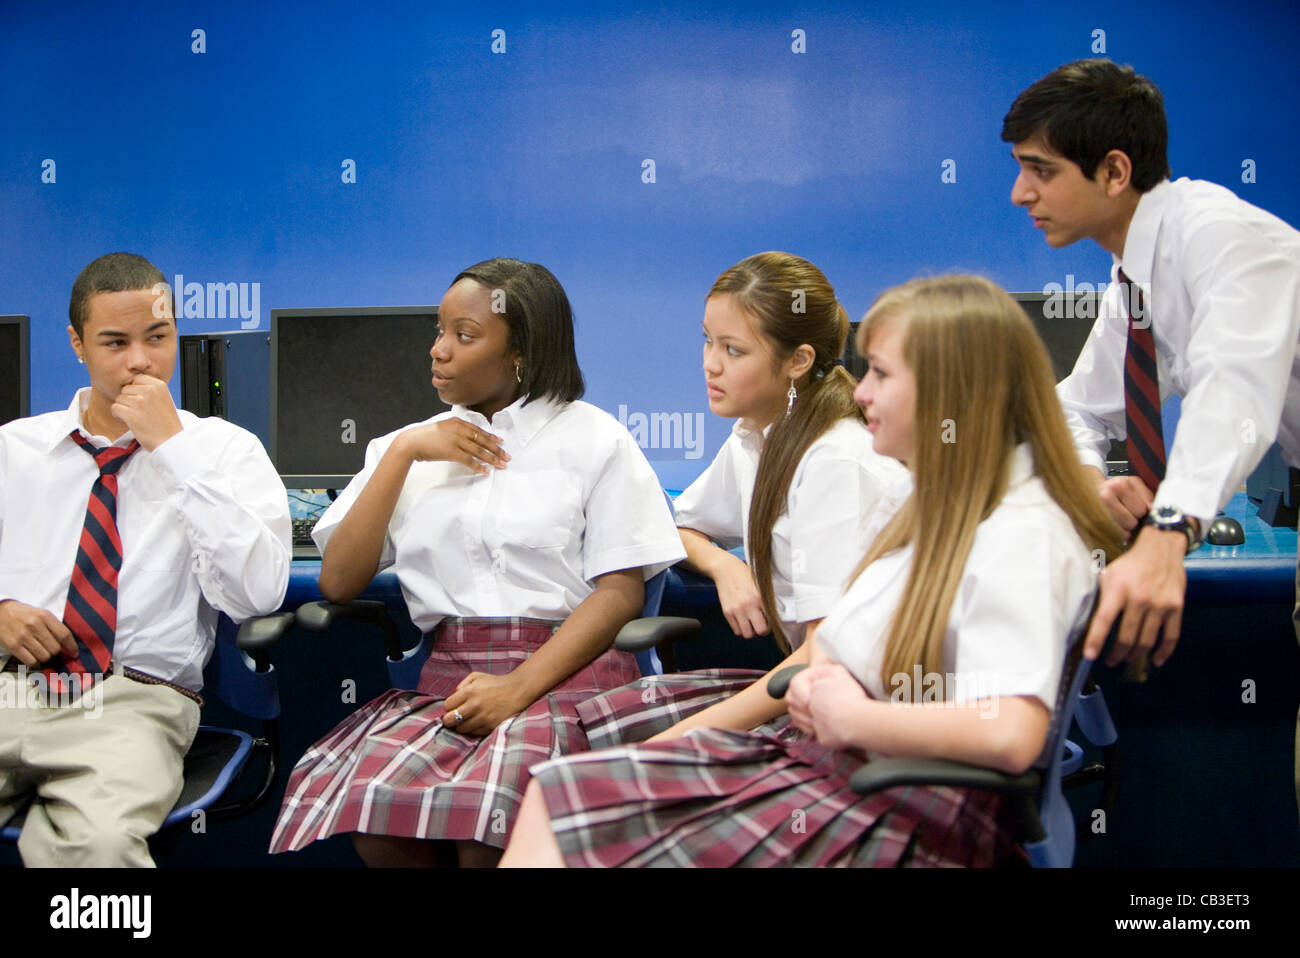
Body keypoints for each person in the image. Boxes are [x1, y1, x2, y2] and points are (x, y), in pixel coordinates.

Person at [500, 274, 1122, 867]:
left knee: (564, 804)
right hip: (852, 768)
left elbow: (1011, 733)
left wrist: (852, 715)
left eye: (881, 373)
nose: (861, 392)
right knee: (560, 798)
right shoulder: (948, 510)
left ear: (948, 390)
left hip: (900, 806)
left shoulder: (1019, 532)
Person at [268, 258, 685, 867]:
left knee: (484, 830)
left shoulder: (596, 440)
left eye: (464, 336)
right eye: (438, 332)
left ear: (521, 352)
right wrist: (406, 453)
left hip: (567, 674)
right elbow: (338, 582)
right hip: (452, 681)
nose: (438, 351)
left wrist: (517, 687)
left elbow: (620, 594)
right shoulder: (412, 446)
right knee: (381, 827)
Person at [1002, 58, 1300, 675]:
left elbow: (1235, 392)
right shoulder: (1135, 279)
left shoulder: (1219, 237)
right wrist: (1086, 481)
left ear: (1114, 172)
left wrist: (1168, 532)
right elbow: (1078, 404)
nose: (1020, 193)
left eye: (1041, 171)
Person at [0, 252, 291, 867]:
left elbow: (257, 595)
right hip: (9, 690)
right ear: (77, 344)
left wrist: (174, 452)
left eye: (157, 338)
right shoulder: (14, 449)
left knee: (98, 849)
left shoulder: (225, 451)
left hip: (132, 701)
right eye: (115, 342)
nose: (140, 360)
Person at [574, 251, 904, 750]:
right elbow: (683, 529)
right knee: (594, 725)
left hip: (866, 712)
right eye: (708, 341)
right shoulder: (756, 437)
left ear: (799, 361)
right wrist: (727, 568)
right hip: (810, 687)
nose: (710, 363)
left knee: (632, 760)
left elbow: (828, 652)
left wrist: (687, 735)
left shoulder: (834, 463)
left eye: (733, 349)